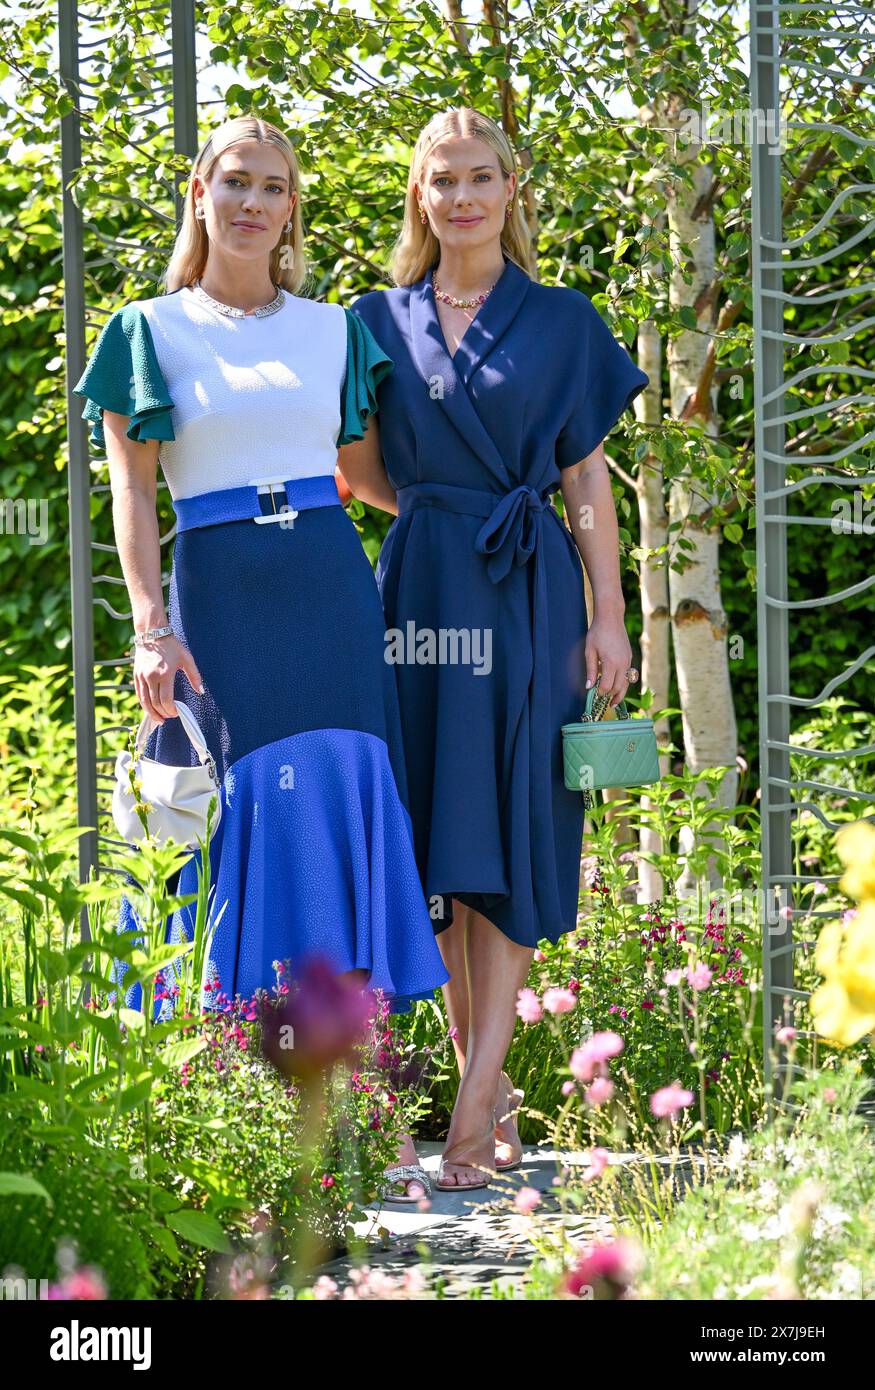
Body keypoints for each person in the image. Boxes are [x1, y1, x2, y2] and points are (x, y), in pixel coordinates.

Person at [73, 114, 449, 1203]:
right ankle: (235, 1109)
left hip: (330, 589)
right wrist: (151, 625)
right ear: (199, 192)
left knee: (340, 810)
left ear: (291, 210)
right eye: (233, 180)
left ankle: (365, 1111)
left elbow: (366, 476)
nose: (251, 201)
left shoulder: (337, 330)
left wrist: (484, 526)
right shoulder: (145, 331)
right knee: (236, 821)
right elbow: (133, 495)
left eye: (272, 186)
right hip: (222, 600)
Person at [337, 107, 648, 1191]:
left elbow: (584, 478)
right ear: (418, 196)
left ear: (509, 190)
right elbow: (359, 472)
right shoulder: (372, 320)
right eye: (443, 179)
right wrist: (442, 512)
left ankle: (470, 1114)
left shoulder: (561, 319)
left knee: (514, 824)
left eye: (480, 177)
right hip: (423, 593)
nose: (461, 197)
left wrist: (609, 614)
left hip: (531, 597)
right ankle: (491, 1084)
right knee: (441, 836)